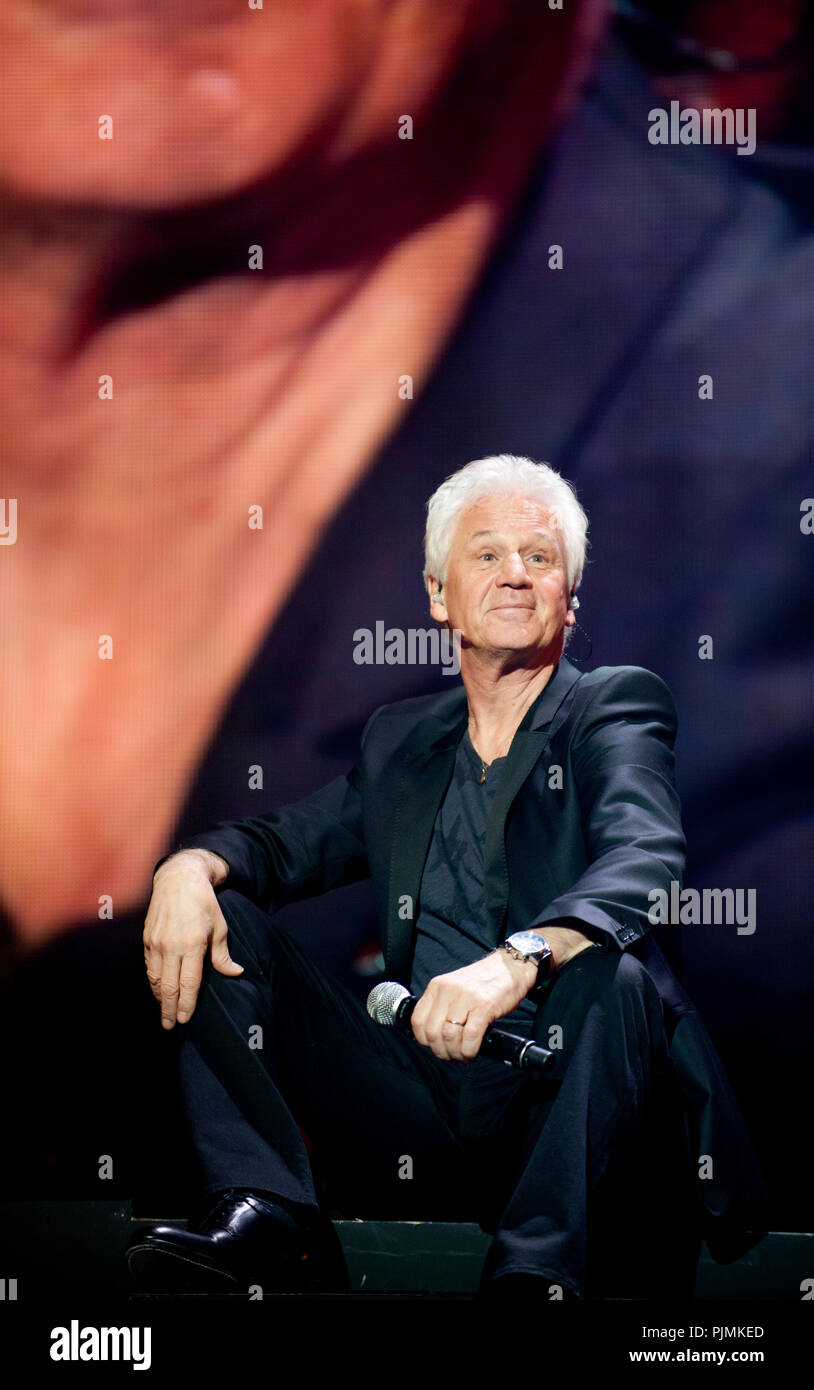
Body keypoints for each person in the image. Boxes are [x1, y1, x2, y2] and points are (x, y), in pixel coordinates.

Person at [129, 455, 768, 1301]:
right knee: (225, 921)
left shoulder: (613, 707)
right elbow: (282, 845)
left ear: (570, 600)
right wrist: (187, 867)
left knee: (613, 978)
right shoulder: (403, 740)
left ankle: (535, 1271)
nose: (516, 574)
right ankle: (268, 1208)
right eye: (488, 554)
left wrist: (518, 959)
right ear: (438, 595)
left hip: (569, 1098)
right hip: (422, 1100)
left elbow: (645, 857)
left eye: (540, 559)